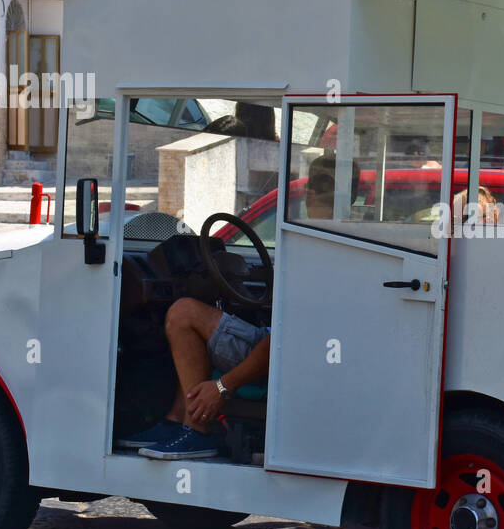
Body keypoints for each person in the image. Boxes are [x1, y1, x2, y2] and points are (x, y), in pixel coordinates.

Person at [122, 154, 346, 459]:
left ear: (349, 193)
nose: (312, 192)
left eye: (325, 185)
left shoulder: (327, 250)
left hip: (289, 356)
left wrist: (221, 388)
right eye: (311, 183)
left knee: (183, 313)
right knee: (194, 317)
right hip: (281, 343)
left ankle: (198, 430)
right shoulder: (314, 240)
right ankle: (176, 422)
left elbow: (285, 338)